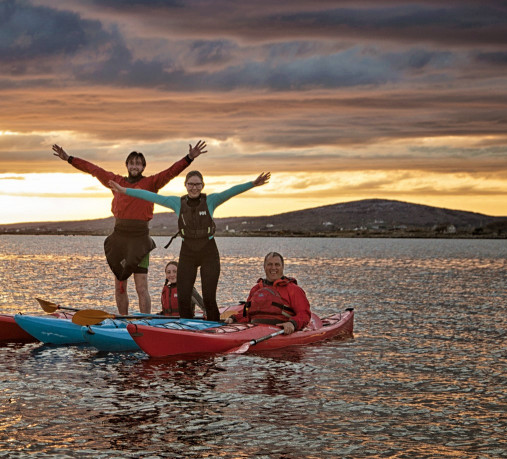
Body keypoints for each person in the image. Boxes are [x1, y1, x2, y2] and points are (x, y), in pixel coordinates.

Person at [52, 140, 207, 314]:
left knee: (141, 287)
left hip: (140, 240)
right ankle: (123, 319)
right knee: (120, 287)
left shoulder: (151, 183)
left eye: (138, 163)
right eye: (132, 163)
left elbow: (171, 172)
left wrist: (189, 158)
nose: (135, 166)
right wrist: (69, 159)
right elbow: (93, 169)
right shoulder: (116, 182)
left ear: (143, 167)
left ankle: (146, 323)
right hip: (119, 239)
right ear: (126, 165)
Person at [109, 169, 270, 321]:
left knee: (208, 297)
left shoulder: (211, 200)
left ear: (202, 185)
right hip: (188, 253)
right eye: (191, 184)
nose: (194, 187)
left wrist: (253, 184)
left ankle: (213, 329)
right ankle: (187, 328)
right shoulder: (177, 203)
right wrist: (124, 191)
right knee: (184, 296)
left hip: (209, 252)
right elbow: (150, 196)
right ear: (185, 185)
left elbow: (230, 192)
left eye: (198, 184)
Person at [225, 252, 312, 335]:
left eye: (277, 265)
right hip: (255, 329)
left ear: (282, 267)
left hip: (279, 330)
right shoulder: (256, 289)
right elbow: (247, 314)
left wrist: (293, 323)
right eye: (269, 264)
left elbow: (304, 314)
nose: (273, 268)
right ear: (264, 267)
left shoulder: (294, 290)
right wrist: (234, 318)